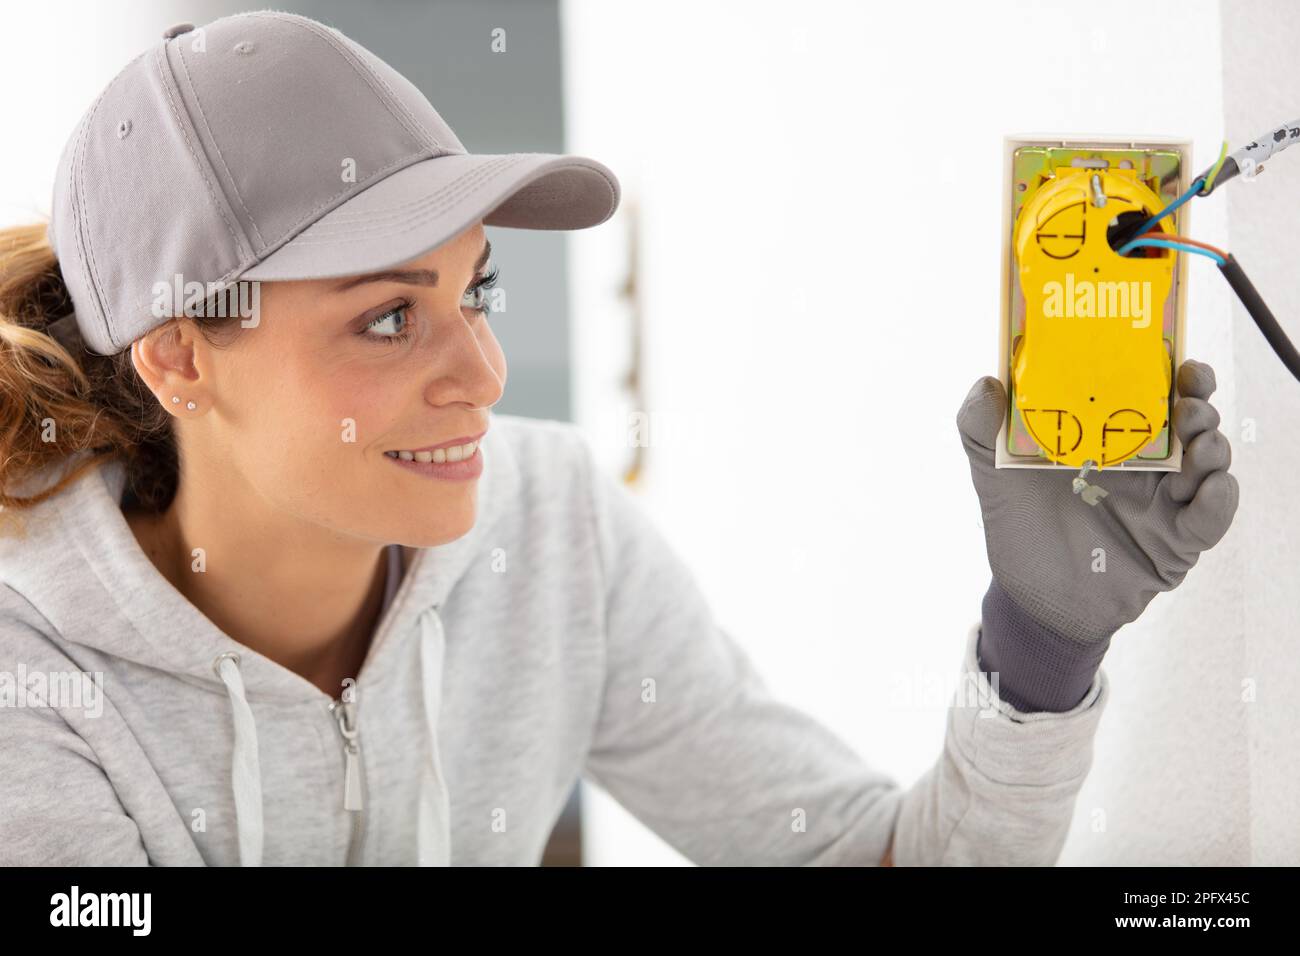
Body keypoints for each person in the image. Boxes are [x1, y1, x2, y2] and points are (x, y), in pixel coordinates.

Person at [0, 11, 1237, 866]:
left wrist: (1040, 641)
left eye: (473, 290)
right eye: (387, 317)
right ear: (176, 355)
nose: (479, 374)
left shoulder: (553, 528)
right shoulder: (33, 673)